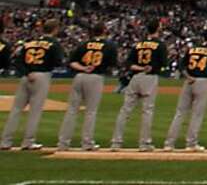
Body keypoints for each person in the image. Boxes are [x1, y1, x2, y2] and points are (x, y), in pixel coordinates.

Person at [1, 18, 64, 151]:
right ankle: (28, 141)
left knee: (16, 110)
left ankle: (5, 141)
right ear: (55, 29)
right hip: (42, 76)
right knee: (35, 111)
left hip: (26, 76)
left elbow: (17, 61)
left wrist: (27, 72)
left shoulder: (29, 42)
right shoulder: (54, 43)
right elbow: (58, 61)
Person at [57, 23, 119, 151]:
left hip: (79, 76)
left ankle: (63, 143)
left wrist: (84, 68)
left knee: (72, 110)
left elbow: (72, 62)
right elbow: (113, 65)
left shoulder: (83, 44)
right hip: (95, 77)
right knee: (90, 111)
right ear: (104, 31)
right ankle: (87, 142)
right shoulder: (109, 45)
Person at [111, 17, 168, 150]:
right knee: (147, 111)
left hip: (135, 77)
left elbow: (128, 63)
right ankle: (144, 143)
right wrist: (149, 68)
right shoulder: (160, 44)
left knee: (125, 110)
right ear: (158, 29)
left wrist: (140, 68)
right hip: (150, 78)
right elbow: (164, 65)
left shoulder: (138, 44)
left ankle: (116, 142)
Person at [164, 25, 207, 151]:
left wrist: (188, 77)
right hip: (203, 81)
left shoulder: (193, 49)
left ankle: (169, 143)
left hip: (189, 80)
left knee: (180, 113)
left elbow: (182, 66)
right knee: (197, 114)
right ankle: (191, 143)